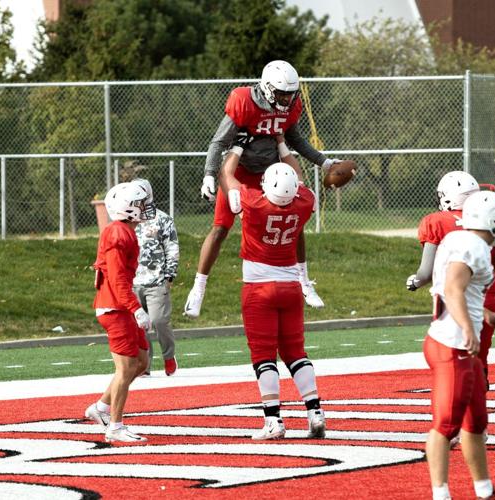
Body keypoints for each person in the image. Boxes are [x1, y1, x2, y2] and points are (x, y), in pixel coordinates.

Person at [184, 60, 342, 317]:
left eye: (291, 94)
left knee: (294, 223)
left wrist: (323, 162)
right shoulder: (244, 101)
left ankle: (304, 281)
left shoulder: (290, 107)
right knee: (220, 228)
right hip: (238, 170)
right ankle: (198, 288)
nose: (287, 99)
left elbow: (296, 139)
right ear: (268, 88)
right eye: (282, 94)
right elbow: (218, 142)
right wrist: (209, 175)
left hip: (271, 174)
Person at [219, 143, 325, 440]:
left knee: (263, 355)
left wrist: (237, 147)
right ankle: (315, 412)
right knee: (296, 352)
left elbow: (227, 174)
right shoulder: (304, 202)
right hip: (291, 287)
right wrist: (281, 144)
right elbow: (299, 178)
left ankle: (273, 420)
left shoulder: (254, 203)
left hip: (258, 288)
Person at [424, 190, 495, 500]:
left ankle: (485, 491)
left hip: (456, 342)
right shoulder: (473, 246)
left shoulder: (460, 239)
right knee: (446, 425)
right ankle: (440, 495)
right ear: (493, 220)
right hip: (452, 345)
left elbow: (460, 292)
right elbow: (452, 289)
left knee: (475, 423)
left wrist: (485, 315)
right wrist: (468, 329)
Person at [407, 171, 495, 379]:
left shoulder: (437, 222)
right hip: (487, 298)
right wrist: (488, 286)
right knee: (479, 362)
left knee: (455, 361)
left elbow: (426, 273)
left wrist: (414, 282)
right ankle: (478, 393)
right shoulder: (491, 220)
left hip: (452, 301)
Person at [84, 182, 154, 443]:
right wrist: (136, 308)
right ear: (128, 208)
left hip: (121, 305)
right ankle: (115, 426)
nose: (144, 207)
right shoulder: (117, 233)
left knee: (142, 361)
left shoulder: (124, 230)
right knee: (125, 369)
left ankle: (101, 408)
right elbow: (116, 279)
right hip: (115, 307)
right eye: (139, 204)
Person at [130, 178, 180, 376]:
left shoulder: (162, 219)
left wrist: (170, 274)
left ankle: (168, 356)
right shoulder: (127, 220)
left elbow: (172, 247)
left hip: (156, 281)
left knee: (159, 321)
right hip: (133, 282)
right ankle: (144, 365)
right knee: (139, 326)